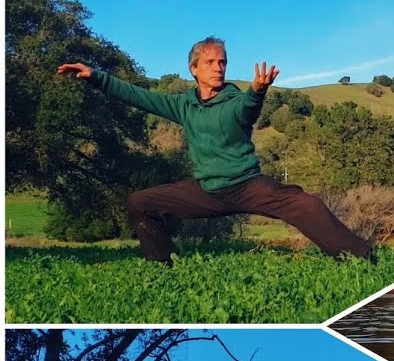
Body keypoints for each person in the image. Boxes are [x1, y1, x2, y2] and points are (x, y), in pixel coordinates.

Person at [56, 36, 373, 264]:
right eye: (210, 62)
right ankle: (162, 264)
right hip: (206, 191)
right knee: (140, 202)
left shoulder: (234, 100)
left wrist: (257, 93)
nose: (218, 67)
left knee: (307, 204)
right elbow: (139, 96)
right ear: (194, 68)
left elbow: (247, 111)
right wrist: (96, 77)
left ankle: (362, 258)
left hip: (248, 186)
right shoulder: (184, 104)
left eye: (222, 62)